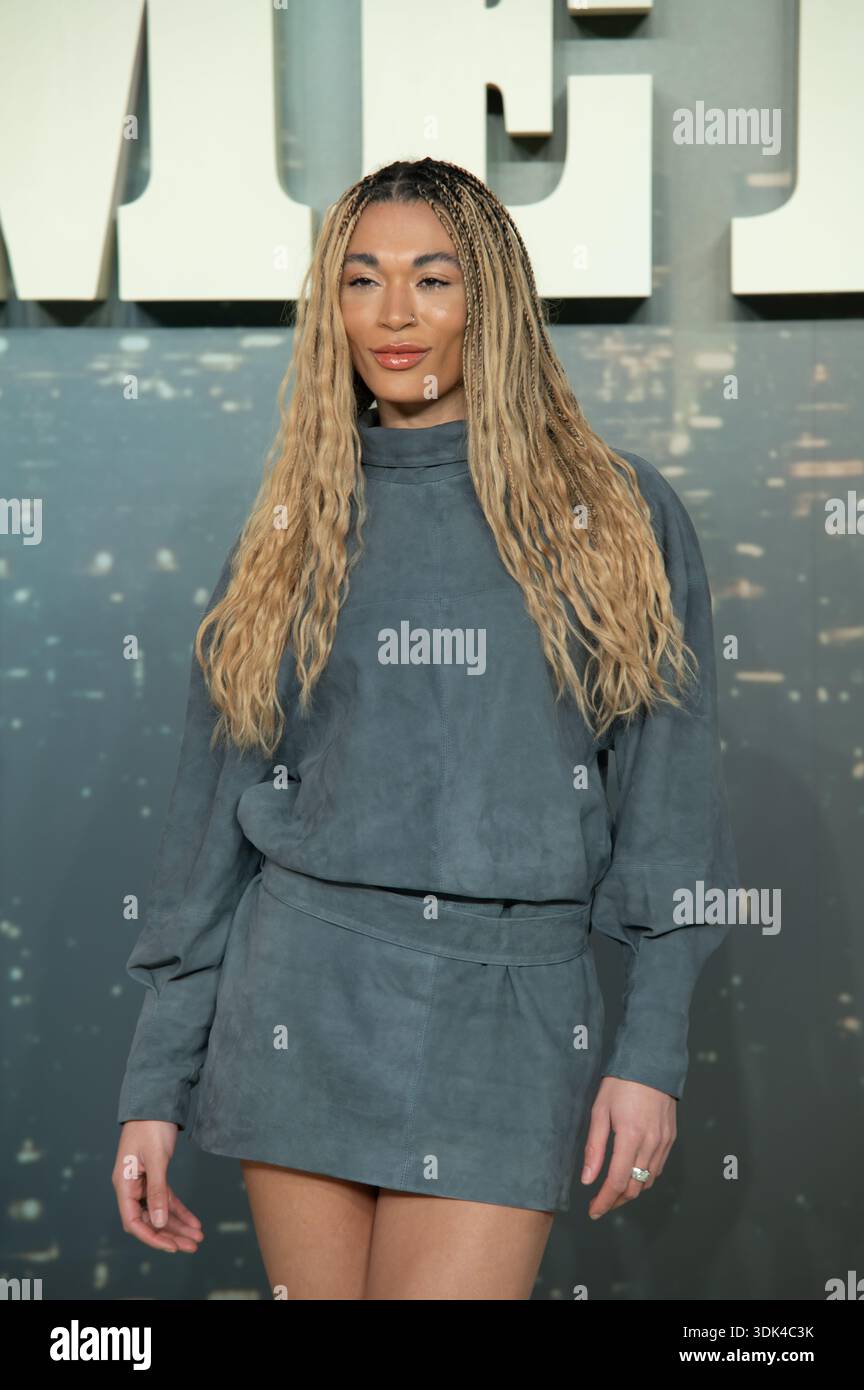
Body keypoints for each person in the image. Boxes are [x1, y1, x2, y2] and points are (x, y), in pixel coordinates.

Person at [111, 157, 739, 1300]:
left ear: (487, 303)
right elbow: (209, 834)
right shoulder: (292, 530)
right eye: (362, 280)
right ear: (330, 307)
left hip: (507, 1013)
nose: (394, 314)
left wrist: (649, 1055)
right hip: (301, 999)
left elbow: (668, 816)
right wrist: (154, 1086)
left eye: (432, 279)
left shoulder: (614, 513)